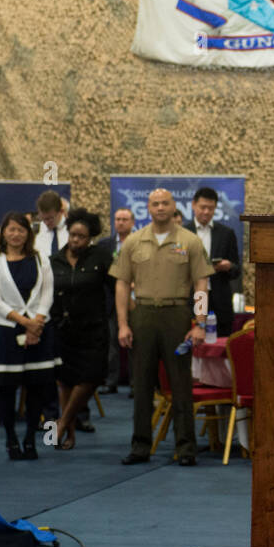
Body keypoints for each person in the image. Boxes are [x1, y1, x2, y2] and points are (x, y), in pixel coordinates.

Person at [111, 188, 212, 466]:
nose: (160, 208)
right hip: (142, 314)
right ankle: (140, 446)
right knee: (141, 384)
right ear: (148, 208)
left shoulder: (189, 241)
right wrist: (122, 324)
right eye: (154, 203)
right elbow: (121, 283)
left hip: (177, 316)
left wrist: (200, 323)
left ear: (173, 205)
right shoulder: (133, 242)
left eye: (165, 203)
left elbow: (201, 283)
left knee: (180, 384)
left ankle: (186, 448)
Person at [0, 212, 57, 460]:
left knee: (37, 386)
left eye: (21, 230)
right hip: (7, 330)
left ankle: (30, 440)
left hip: (39, 329)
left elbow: (47, 293)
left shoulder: (40, 259)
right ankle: (11, 438)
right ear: (4, 232)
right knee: (6, 387)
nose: (16, 234)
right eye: (11, 229)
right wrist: (24, 322)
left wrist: (37, 322)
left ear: (28, 233)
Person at [52, 209, 110, 449]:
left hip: (94, 328)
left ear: (90, 238)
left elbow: (118, 286)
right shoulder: (54, 260)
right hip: (64, 329)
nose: (75, 240)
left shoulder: (101, 256)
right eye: (72, 234)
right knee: (65, 381)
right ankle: (70, 434)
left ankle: (62, 422)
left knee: (92, 376)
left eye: (81, 237)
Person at [190, 187, 241, 338]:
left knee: (220, 347)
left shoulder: (226, 233)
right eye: (202, 207)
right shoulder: (182, 231)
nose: (206, 212)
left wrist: (228, 266)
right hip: (190, 298)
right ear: (194, 205)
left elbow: (237, 270)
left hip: (219, 300)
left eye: (210, 208)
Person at [95, 207, 134, 394]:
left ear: (132, 222)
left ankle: (136, 384)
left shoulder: (140, 242)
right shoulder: (104, 245)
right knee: (111, 343)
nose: (120, 222)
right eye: (117, 219)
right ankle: (111, 381)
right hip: (110, 300)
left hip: (136, 299)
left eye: (124, 219)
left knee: (137, 343)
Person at [33, 190, 68, 259]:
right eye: (43, 218)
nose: (46, 222)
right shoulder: (35, 231)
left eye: (50, 218)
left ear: (61, 211)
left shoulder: (73, 229)